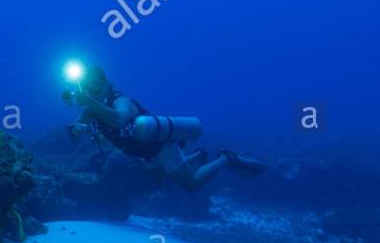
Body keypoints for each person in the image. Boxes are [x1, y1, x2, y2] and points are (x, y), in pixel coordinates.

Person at [62, 66, 266, 191]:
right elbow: (75, 134)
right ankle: (196, 156)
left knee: (192, 185)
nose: (91, 90)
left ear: (106, 85)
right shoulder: (90, 111)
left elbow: (118, 119)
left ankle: (225, 159)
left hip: (162, 148)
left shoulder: (121, 101)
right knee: (158, 180)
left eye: (95, 85)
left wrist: (89, 101)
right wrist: (76, 130)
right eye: (86, 85)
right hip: (145, 156)